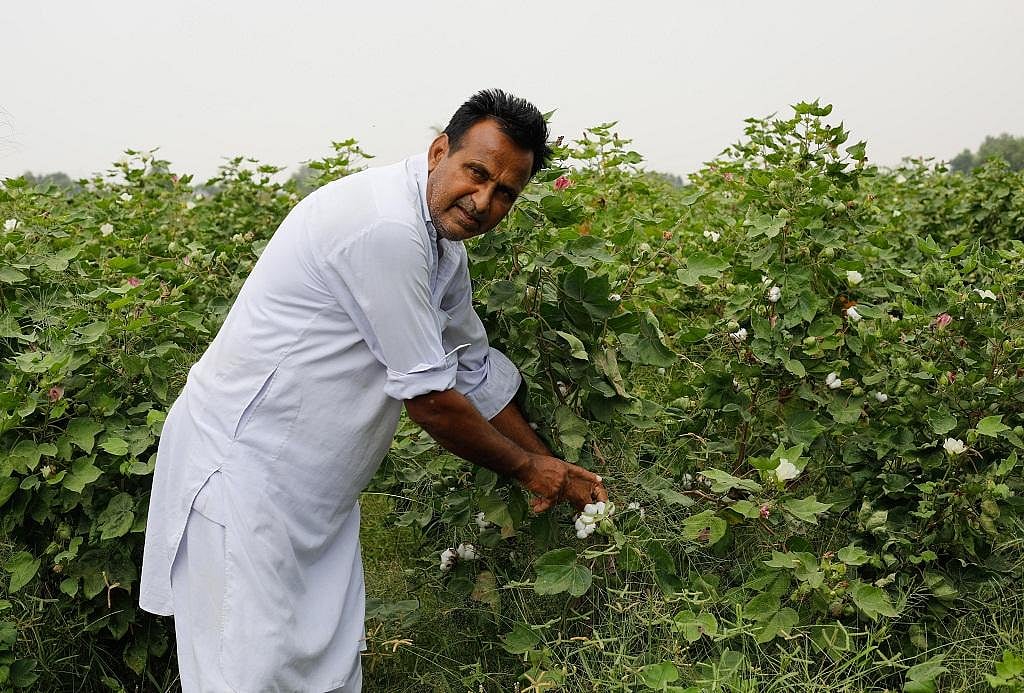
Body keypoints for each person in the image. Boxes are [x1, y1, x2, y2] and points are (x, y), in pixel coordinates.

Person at [139, 89, 608, 692]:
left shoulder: (441, 244)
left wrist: (550, 463)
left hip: (312, 494)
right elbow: (433, 403)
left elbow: (470, 368)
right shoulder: (386, 229)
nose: (483, 201)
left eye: (505, 193)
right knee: (246, 674)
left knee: (325, 676)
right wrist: (529, 470)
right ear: (440, 150)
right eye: (477, 173)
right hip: (244, 476)